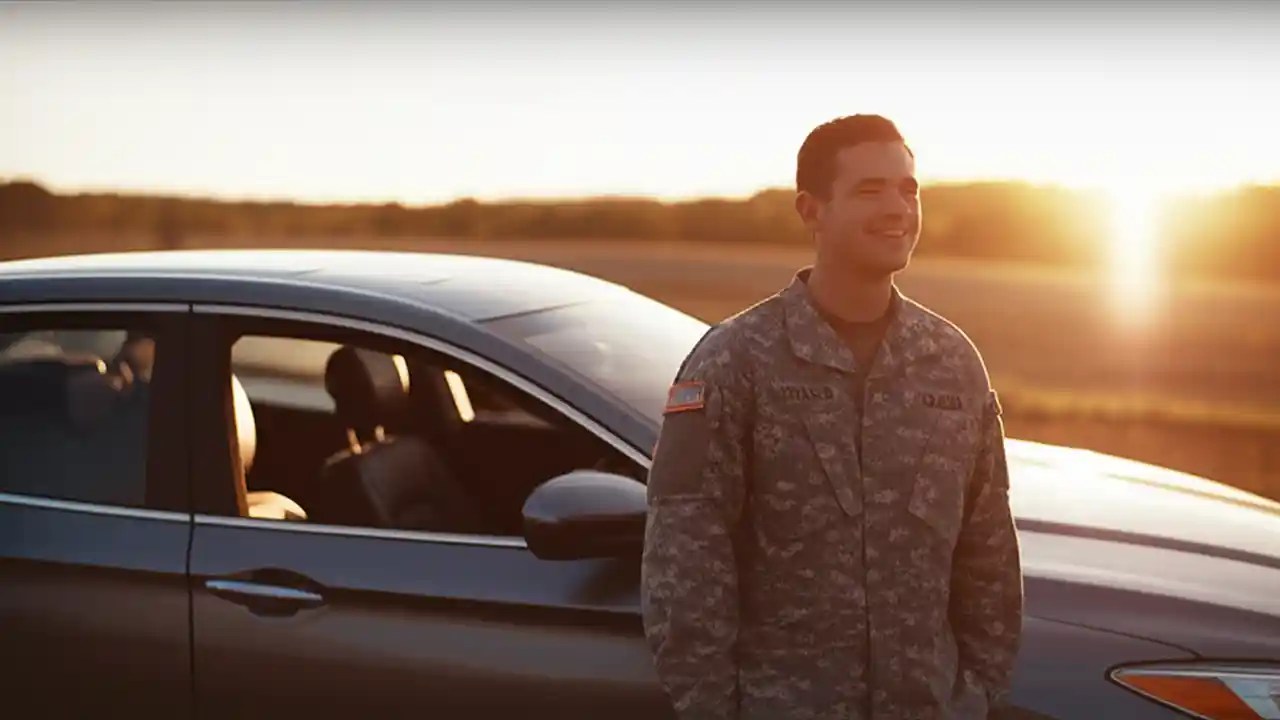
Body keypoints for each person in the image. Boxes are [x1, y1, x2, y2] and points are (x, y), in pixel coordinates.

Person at [641, 114, 1023, 720]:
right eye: (870, 190)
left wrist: (978, 694)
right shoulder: (735, 362)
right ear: (810, 209)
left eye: (908, 189)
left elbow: (987, 554)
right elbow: (686, 568)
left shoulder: (953, 365)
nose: (898, 208)